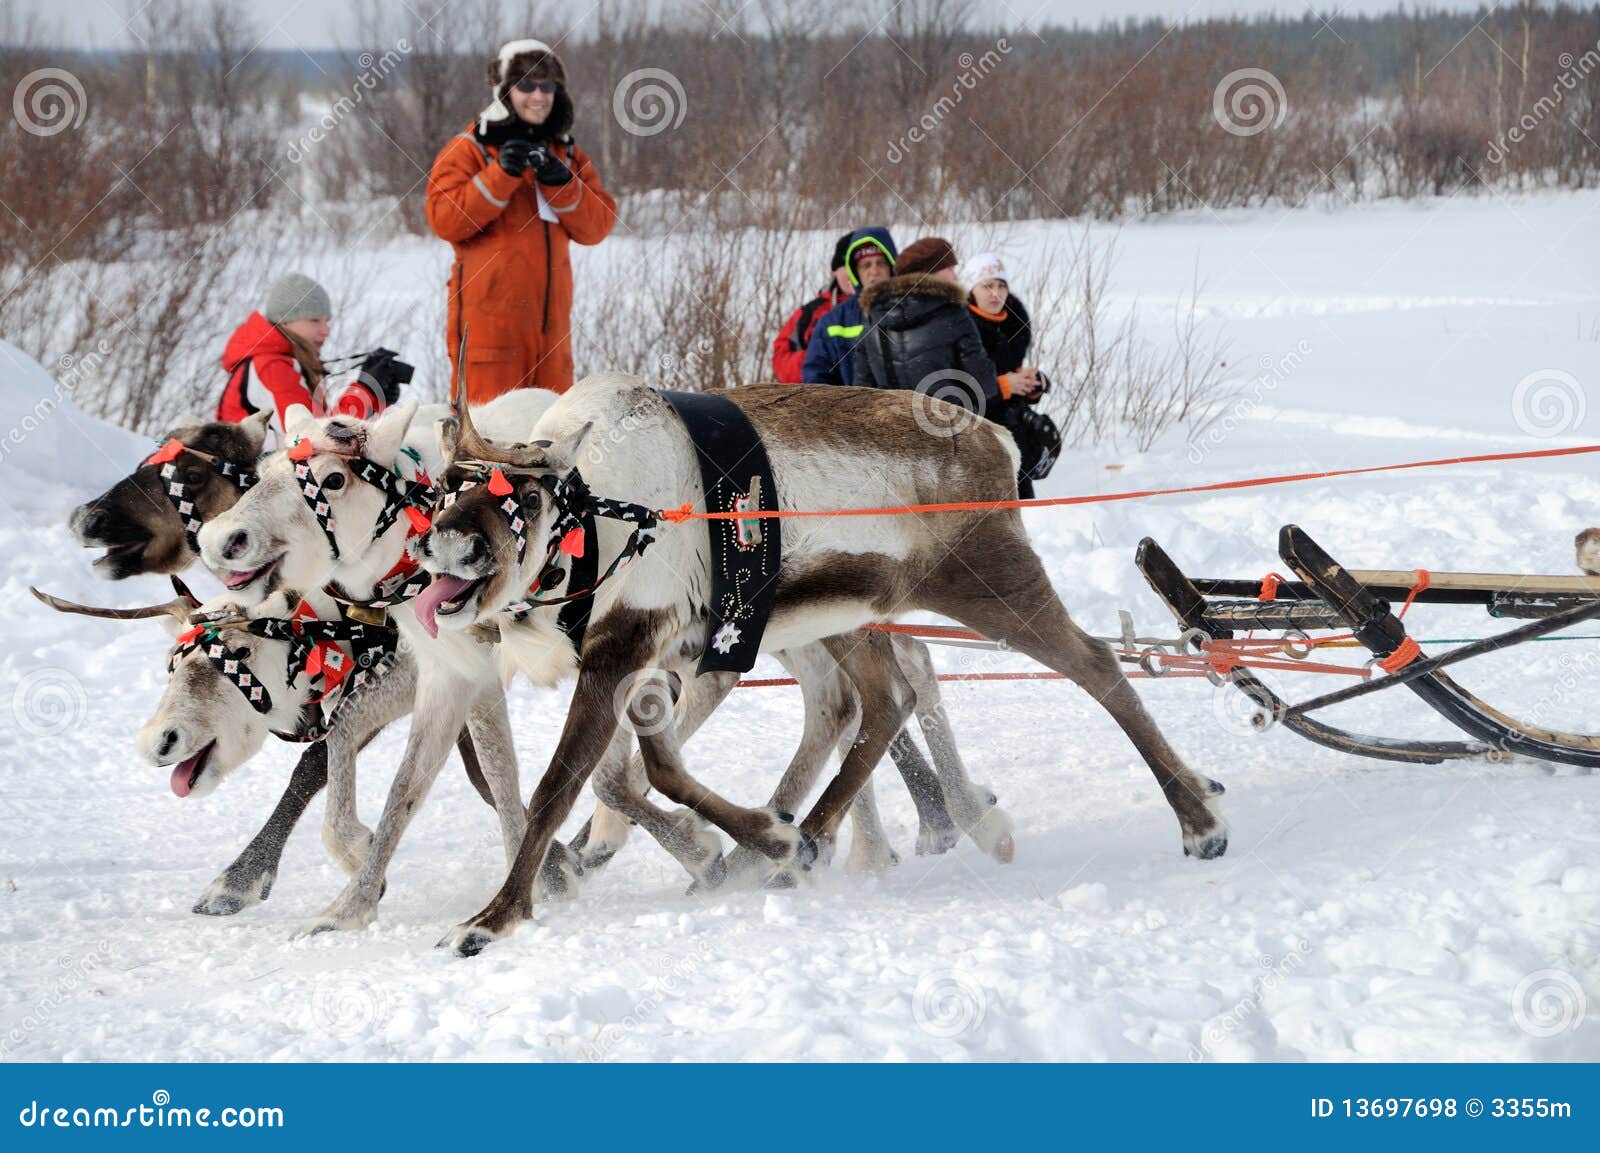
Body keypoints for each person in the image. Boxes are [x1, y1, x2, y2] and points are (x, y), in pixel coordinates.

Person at [425, 39, 616, 403]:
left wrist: (564, 186)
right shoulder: (470, 149)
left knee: (551, 448)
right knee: (488, 447)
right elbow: (445, 220)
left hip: (552, 345)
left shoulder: (568, 154)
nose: (539, 96)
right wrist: (500, 176)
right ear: (504, 91)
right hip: (489, 343)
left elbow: (597, 227)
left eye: (548, 86)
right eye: (526, 85)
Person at [852, 237, 1043, 415]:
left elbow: (862, 392)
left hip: (891, 439)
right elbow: (984, 386)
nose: (955, 276)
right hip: (945, 435)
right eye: (950, 268)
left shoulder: (872, 317)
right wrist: (1007, 384)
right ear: (931, 272)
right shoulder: (953, 313)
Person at [216, 273, 402, 446]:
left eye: (326, 320)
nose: (326, 330)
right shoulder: (272, 366)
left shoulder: (284, 362)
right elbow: (313, 441)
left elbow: (319, 436)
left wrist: (373, 401)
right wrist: (364, 392)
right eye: (315, 320)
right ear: (286, 320)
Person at [961, 252, 1057, 496]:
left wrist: (1030, 385)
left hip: (1015, 438)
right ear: (972, 290)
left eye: (1001, 285)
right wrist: (1003, 386)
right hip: (977, 443)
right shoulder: (961, 328)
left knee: (1026, 514)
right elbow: (955, 390)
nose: (996, 293)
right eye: (987, 286)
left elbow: (1010, 378)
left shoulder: (1013, 324)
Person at [801, 226, 897, 385]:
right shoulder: (833, 322)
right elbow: (817, 381)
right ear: (855, 271)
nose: (874, 271)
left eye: (880, 263)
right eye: (866, 265)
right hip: (853, 409)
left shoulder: (913, 309)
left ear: (892, 266)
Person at [771, 231, 854, 383]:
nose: (853, 273)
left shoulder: (892, 307)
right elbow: (781, 362)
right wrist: (817, 357)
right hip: (823, 398)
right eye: (847, 266)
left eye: (859, 265)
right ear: (834, 271)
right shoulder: (809, 314)